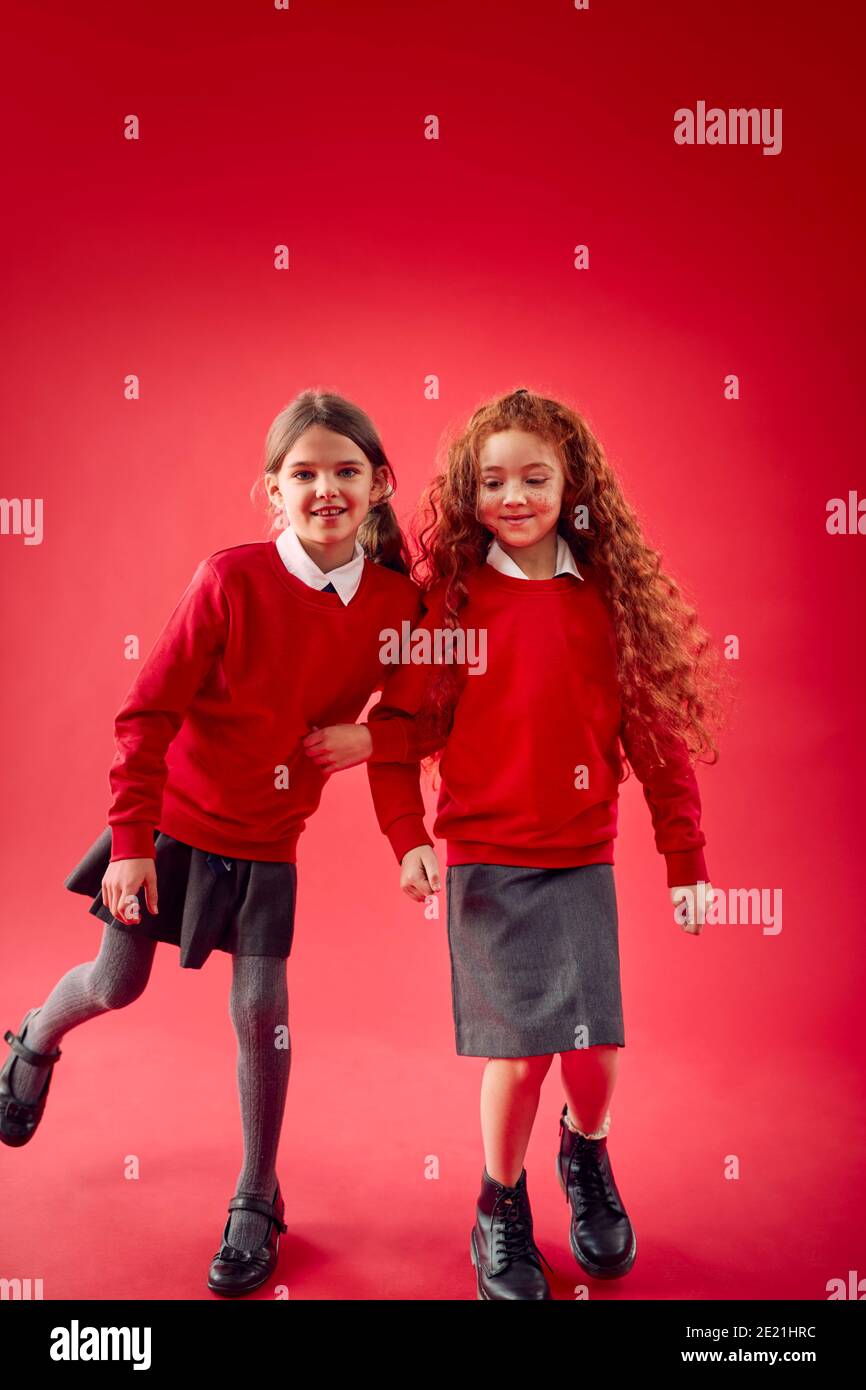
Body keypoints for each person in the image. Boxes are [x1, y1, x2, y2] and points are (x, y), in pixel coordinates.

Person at [0, 388, 423, 1298]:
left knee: (260, 1013)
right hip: (171, 827)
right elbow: (144, 714)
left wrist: (373, 739)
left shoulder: (399, 605)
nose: (326, 489)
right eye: (303, 474)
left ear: (381, 483)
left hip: (269, 840)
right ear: (271, 491)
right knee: (115, 982)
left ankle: (255, 1196)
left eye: (346, 471)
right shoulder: (229, 580)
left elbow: (424, 723)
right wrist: (127, 845)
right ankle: (32, 1041)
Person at [323, 386, 728, 1300]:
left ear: (571, 484)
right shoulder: (451, 608)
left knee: (595, 1052)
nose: (513, 496)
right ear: (470, 494)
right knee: (520, 1056)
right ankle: (498, 1206)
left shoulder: (607, 605)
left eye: (534, 477)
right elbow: (397, 734)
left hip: (581, 858)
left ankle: (585, 1157)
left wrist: (687, 864)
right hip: (487, 866)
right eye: (492, 480)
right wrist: (405, 840)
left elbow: (657, 743)